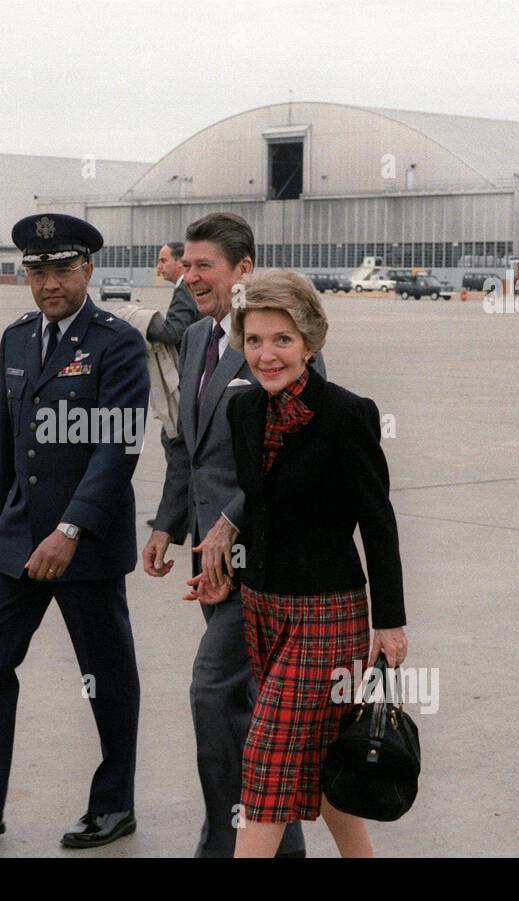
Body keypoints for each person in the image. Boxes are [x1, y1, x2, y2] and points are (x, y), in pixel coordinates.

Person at [0, 213, 150, 849]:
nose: (48, 284)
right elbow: (7, 447)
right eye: (36, 271)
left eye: (62, 269)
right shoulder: (15, 340)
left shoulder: (116, 342)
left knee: (105, 672)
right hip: (18, 536)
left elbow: (116, 450)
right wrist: (0, 527)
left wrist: (70, 529)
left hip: (83, 542)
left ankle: (114, 802)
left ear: (88, 270)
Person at [187, 269, 408, 858]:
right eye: (254, 340)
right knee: (319, 756)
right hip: (263, 609)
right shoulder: (245, 415)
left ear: (310, 342)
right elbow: (261, 509)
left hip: (325, 616)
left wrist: (390, 621)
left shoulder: (346, 415)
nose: (267, 354)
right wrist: (224, 571)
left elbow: (377, 524)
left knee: (264, 761)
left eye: (282, 340)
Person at [141, 212, 323, 858]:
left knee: (212, 692)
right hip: (210, 559)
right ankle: (283, 846)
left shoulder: (274, 341)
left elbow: (294, 452)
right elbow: (186, 447)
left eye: (203, 267)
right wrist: (168, 524)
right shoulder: (194, 341)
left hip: (266, 560)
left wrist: (230, 523)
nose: (190, 278)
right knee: (251, 710)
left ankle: (225, 842)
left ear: (244, 270)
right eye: (185, 266)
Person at [144, 241, 200, 529]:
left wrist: (141, 321)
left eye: (164, 260)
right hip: (192, 379)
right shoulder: (185, 290)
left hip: (189, 382)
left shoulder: (183, 290)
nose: (159, 265)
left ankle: (177, 517)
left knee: (175, 442)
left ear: (180, 262)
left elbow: (173, 331)